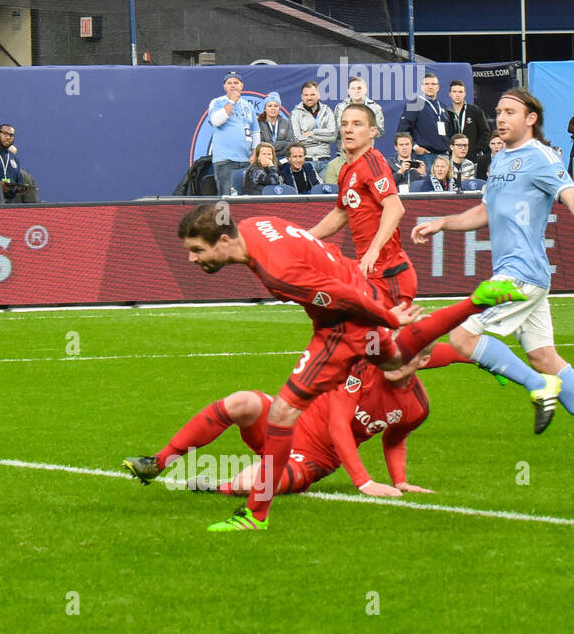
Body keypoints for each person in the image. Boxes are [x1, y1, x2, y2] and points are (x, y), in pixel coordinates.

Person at [162, 201, 523, 530]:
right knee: (392, 360)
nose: (193, 259)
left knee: (280, 421)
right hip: (358, 295)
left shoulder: (280, 274)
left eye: (196, 250)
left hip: (340, 334)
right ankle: (474, 303)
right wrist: (481, 358)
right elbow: (423, 352)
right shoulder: (259, 227)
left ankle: (247, 510)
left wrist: (388, 318)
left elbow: (343, 300)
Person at [412, 87, 573, 434]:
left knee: (461, 337)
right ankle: (543, 379)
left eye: (510, 112)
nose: (500, 118)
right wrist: (442, 223)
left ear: (531, 119)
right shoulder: (499, 158)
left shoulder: (542, 156)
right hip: (517, 272)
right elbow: (486, 210)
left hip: (522, 274)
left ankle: (538, 386)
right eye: (498, 111)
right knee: (545, 357)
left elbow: (569, 195)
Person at [126, 349, 433, 499]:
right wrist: (364, 483)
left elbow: (395, 439)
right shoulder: (363, 366)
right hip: (285, 420)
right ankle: (158, 462)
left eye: (407, 355)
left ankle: (217, 486)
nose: (396, 359)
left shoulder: (417, 406)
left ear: (424, 359)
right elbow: (339, 424)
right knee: (242, 401)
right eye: (395, 350)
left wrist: (399, 479)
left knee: (254, 483)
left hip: (313, 459)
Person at [308, 104, 414, 302]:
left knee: (391, 333)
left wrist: (374, 249)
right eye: (345, 124)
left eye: (357, 124)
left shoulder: (372, 162)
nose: (348, 129)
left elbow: (395, 207)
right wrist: (307, 237)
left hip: (389, 273)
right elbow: (341, 213)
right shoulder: (346, 171)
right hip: (369, 271)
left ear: (373, 132)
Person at [207, 71, 259, 196]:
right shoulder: (217, 102)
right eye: (229, 83)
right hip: (226, 160)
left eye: (236, 82)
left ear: (242, 86)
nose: (233, 85)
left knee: (245, 198)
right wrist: (231, 102)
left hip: (245, 160)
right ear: (224, 87)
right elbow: (216, 121)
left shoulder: (248, 106)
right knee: (227, 198)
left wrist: (254, 154)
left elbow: (255, 131)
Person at [397, 71, 451, 157]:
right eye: (427, 84)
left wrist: (447, 147)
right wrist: (415, 147)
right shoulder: (415, 104)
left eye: (433, 84)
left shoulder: (442, 106)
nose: (430, 87)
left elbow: (448, 131)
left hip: (443, 155)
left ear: (438, 87)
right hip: (425, 155)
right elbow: (402, 130)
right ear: (422, 87)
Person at [289, 80, 337, 173]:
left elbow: (333, 136)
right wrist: (322, 139)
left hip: (325, 161)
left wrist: (312, 133)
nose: (309, 98)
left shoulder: (327, 111)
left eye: (312, 94)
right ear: (302, 97)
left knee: (327, 187)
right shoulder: (295, 113)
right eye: (306, 95)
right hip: (306, 162)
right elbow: (297, 139)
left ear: (318, 95)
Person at [446, 78, 490, 162]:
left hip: (472, 157)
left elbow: (485, 133)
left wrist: (476, 150)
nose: (457, 95)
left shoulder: (474, 110)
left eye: (460, 92)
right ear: (450, 94)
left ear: (465, 94)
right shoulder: (446, 112)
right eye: (454, 92)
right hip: (452, 158)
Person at [0, 124, 33, 202]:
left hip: (10, 203)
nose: (8, 137)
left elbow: (18, 181)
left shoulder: (14, 158)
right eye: (5, 134)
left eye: (11, 135)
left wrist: (19, 189)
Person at [257, 92, 294, 161]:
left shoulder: (286, 123)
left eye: (276, 106)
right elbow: (260, 145)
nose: (273, 108)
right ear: (265, 108)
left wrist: (270, 146)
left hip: (283, 158)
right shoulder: (259, 124)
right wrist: (282, 144)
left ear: (279, 109)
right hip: (265, 158)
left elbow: (290, 143)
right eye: (270, 106)